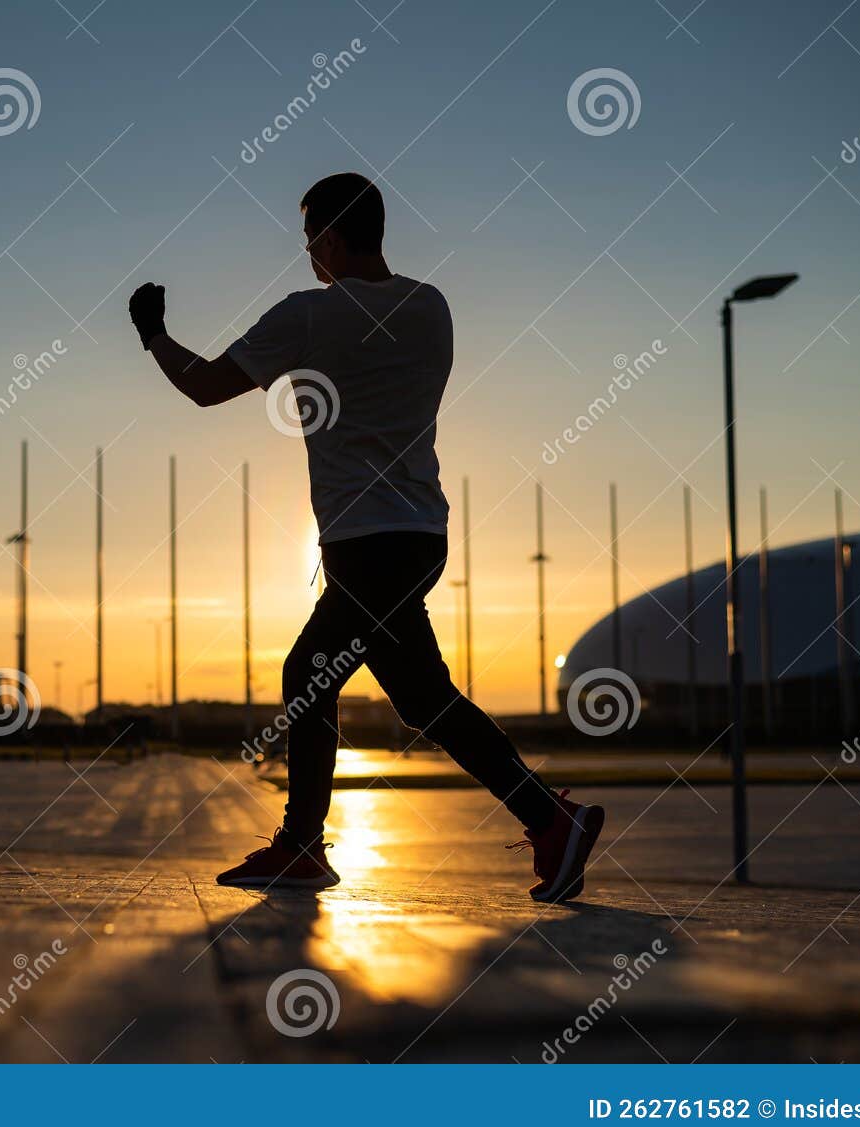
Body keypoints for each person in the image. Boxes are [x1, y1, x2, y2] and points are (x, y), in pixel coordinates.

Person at [127, 172, 603, 902]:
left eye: (309, 239)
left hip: (364, 542)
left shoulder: (310, 317)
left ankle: (305, 847)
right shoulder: (431, 307)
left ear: (327, 236)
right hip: (420, 534)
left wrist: (154, 334)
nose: (307, 254)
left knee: (311, 674)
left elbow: (204, 385)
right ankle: (548, 821)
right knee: (421, 700)